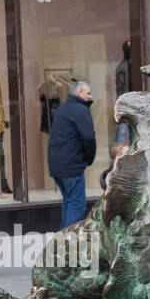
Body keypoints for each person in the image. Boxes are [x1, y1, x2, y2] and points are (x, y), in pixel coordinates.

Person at [48, 79, 96, 228]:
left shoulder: (62, 109)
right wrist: (88, 159)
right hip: (70, 166)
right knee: (77, 205)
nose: (90, 96)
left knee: (69, 201)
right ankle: (68, 242)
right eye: (88, 93)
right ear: (78, 93)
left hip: (57, 165)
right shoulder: (81, 110)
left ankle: (63, 239)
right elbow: (88, 138)